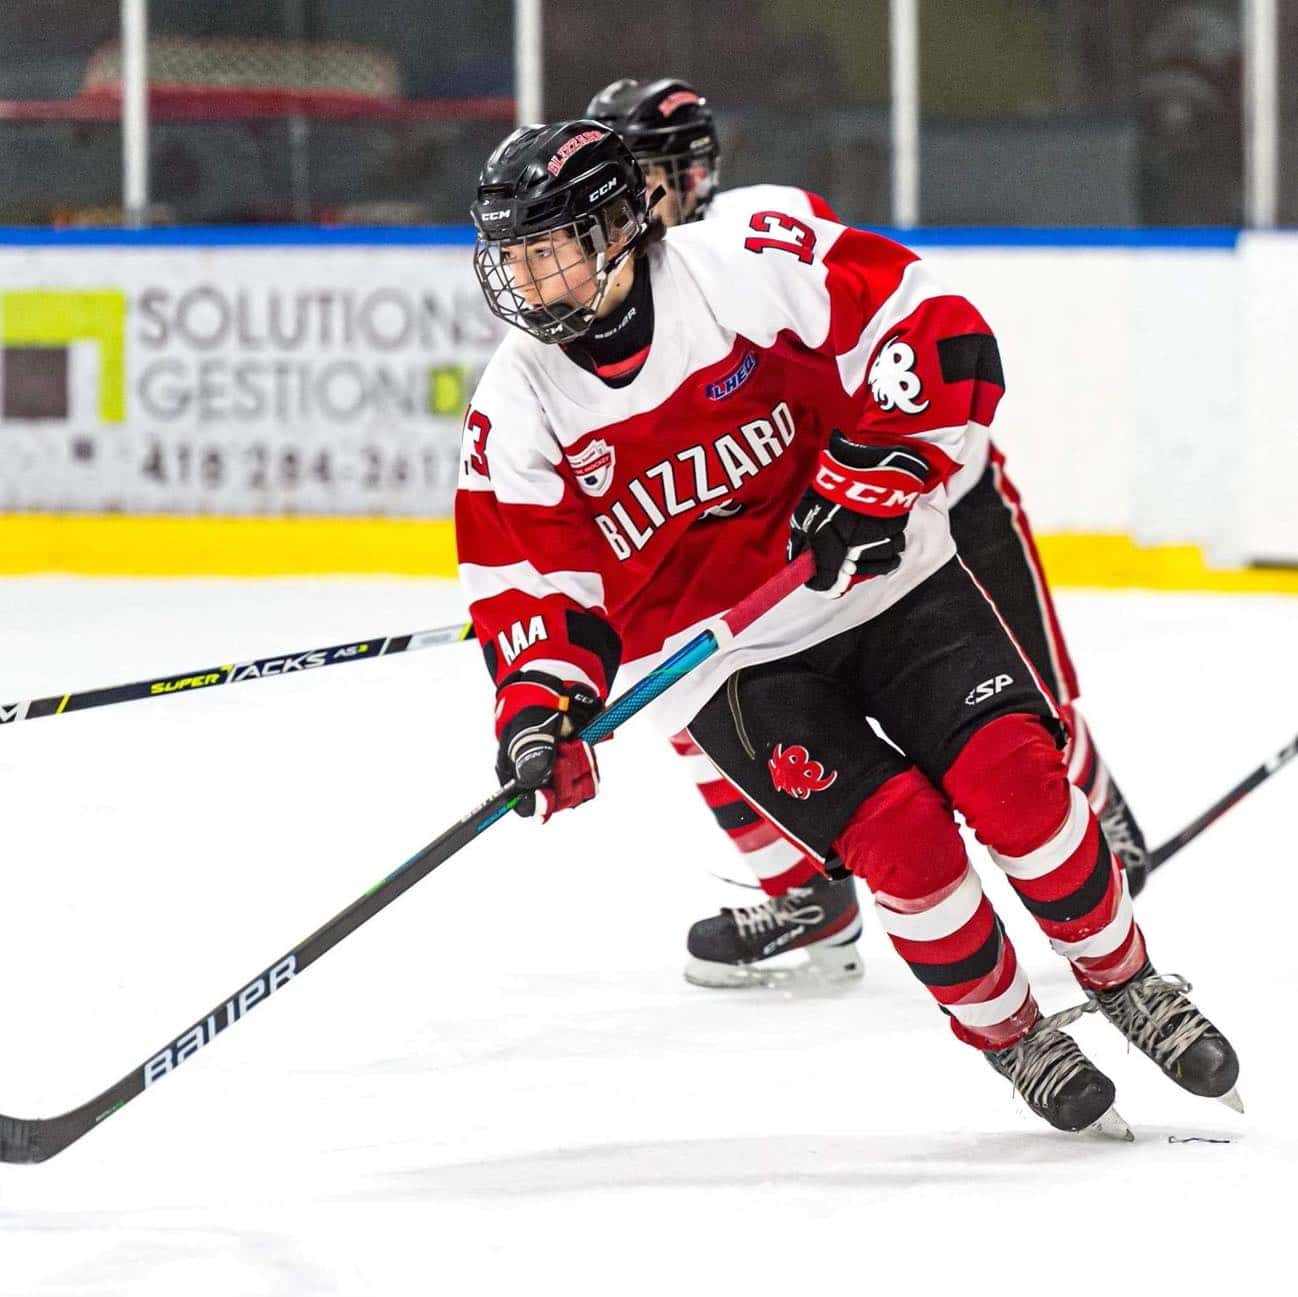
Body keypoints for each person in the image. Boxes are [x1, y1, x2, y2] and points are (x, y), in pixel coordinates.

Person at [455, 117, 1241, 1136]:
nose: (523, 278)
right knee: (905, 844)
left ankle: (1128, 981)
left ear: (615, 229)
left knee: (1016, 777)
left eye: (544, 249)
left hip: (885, 585)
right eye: (510, 255)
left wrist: (876, 474)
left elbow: (929, 324)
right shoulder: (516, 405)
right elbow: (531, 585)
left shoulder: (744, 266)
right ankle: (1012, 1035)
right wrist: (538, 709)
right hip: (726, 667)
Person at [584, 76, 1153, 989]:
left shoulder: (757, 228)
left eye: (645, 173)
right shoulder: (619, 305)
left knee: (1018, 705)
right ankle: (809, 894)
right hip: (822, 539)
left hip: (940, 498)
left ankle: (1098, 817)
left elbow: (890, 346)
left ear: (692, 171)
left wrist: (872, 479)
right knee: (688, 693)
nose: (628, 201)